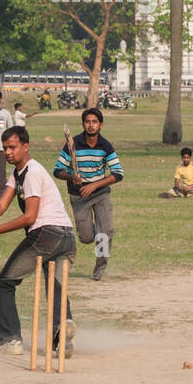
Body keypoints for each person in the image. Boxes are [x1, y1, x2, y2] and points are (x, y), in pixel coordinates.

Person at [0, 126, 77, 357]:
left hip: (47, 234)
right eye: (4, 148)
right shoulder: (17, 173)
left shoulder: (32, 172)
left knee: (4, 282)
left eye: (12, 147)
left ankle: (9, 340)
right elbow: (2, 204)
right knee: (55, 288)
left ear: (26, 146)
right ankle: (62, 337)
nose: (7, 152)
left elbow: (29, 217)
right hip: (66, 237)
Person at [54, 107, 123, 280]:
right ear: (83, 124)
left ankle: (99, 270)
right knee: (86, 238)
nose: (91, 125)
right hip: (79, 196)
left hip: (100, 194)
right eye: (87, 122)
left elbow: (117, 173)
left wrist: (94, 185)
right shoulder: (73, 144)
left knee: (104, 235)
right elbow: (57, 170)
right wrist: (71, 177)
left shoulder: (105, 146)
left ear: (100, 125)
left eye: (94, 122)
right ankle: (98, 230)